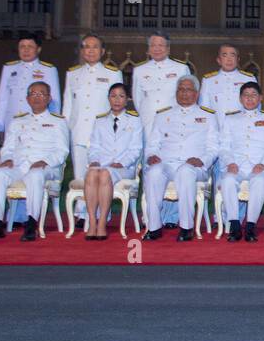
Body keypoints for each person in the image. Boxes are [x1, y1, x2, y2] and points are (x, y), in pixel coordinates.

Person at [0, 81, 69, 242]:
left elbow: (62, 151)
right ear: (27, 99)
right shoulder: (18, 121)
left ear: (49, 98)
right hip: (19, 165)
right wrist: (6, 159)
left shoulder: (58, 122)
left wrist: (45, 161)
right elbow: (8, 148)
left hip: (46, 168)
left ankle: (31, 224)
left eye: (41, 94)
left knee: (35, 175)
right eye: (33, 94)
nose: (37, 97)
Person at [141, 75, 219, 242]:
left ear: (196, 94)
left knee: (185, 172)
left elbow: (214, 148)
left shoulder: (208, 116)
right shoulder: (163, 115)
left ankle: (186, 227)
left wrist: (203, 160)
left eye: (188, 89)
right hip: (167, 163)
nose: (184, 93)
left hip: (195, 167)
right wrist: (151, 156)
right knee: (154, 172)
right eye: (181, 90)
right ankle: (154, 227)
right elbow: (152, 144)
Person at [132, 33, 191, 228]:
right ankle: (150, 217)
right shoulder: (140, 70)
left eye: (161, 45)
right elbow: (139, 101)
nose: (157, 48)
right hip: (149, 127)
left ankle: (172, 217)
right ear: (148, 48)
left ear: (168, 48)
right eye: (153, 45)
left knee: (173, 167)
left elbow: (186, 97)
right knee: (151, 170)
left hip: (174, 127)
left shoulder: (181, 68)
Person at [217, 82, 264, 242]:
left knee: (259, 181)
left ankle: (251, 225)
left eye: (254, 95)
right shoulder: (231, 119)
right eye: (246, 95)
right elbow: (224, 146)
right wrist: (230, 162)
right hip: (236, 165)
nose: (250, 98)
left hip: (260, 166)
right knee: (227, 180)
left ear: (260, 98)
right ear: (240, 98)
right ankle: (234, 224)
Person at [82, 83, 143, 240]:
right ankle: (92, 223)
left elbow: (136, 149)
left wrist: (122, 162)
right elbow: (94, 146)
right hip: (102, 165)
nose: (117, 100)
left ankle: (102, 223)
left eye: (121, 96)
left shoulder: (135, 121)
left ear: (127, 99)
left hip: (124, 167)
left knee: (104, 174)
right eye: (113, 96)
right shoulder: (100, 121)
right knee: (91, 174)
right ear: (108, 98)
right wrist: (94, 161)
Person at [65, 34, 123, 193]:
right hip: (79, 132)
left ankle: (101, 213)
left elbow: (118, 105)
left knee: (102, 176)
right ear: (82, 51)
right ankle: (82, 213)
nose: (91, 51)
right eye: (87, 47)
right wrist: (67, 130)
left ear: (102, 51)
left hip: (103, 134)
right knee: (80, 176)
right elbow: (68, 107)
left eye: (95, 47)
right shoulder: (72, 74)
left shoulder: (113, 74)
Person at [0, 33, 61, 141]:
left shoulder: (48, 70)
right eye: (22, 47)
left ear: (38, 49)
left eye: (30, 46)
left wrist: (53, 125)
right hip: (11, 122)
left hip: (37, 122)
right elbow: (2, 100)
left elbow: (54, 100)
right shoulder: (9, 68)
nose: (26, 50)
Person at [200, 43, 256, 114]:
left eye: (232, 55)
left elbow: (255, 107)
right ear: (218, 60)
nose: (229, 60)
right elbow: (204, 108)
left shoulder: (248, 79)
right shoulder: (208, 80)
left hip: (242, 124)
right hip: (218, 123)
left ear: (238, 59)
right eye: (225, 55)